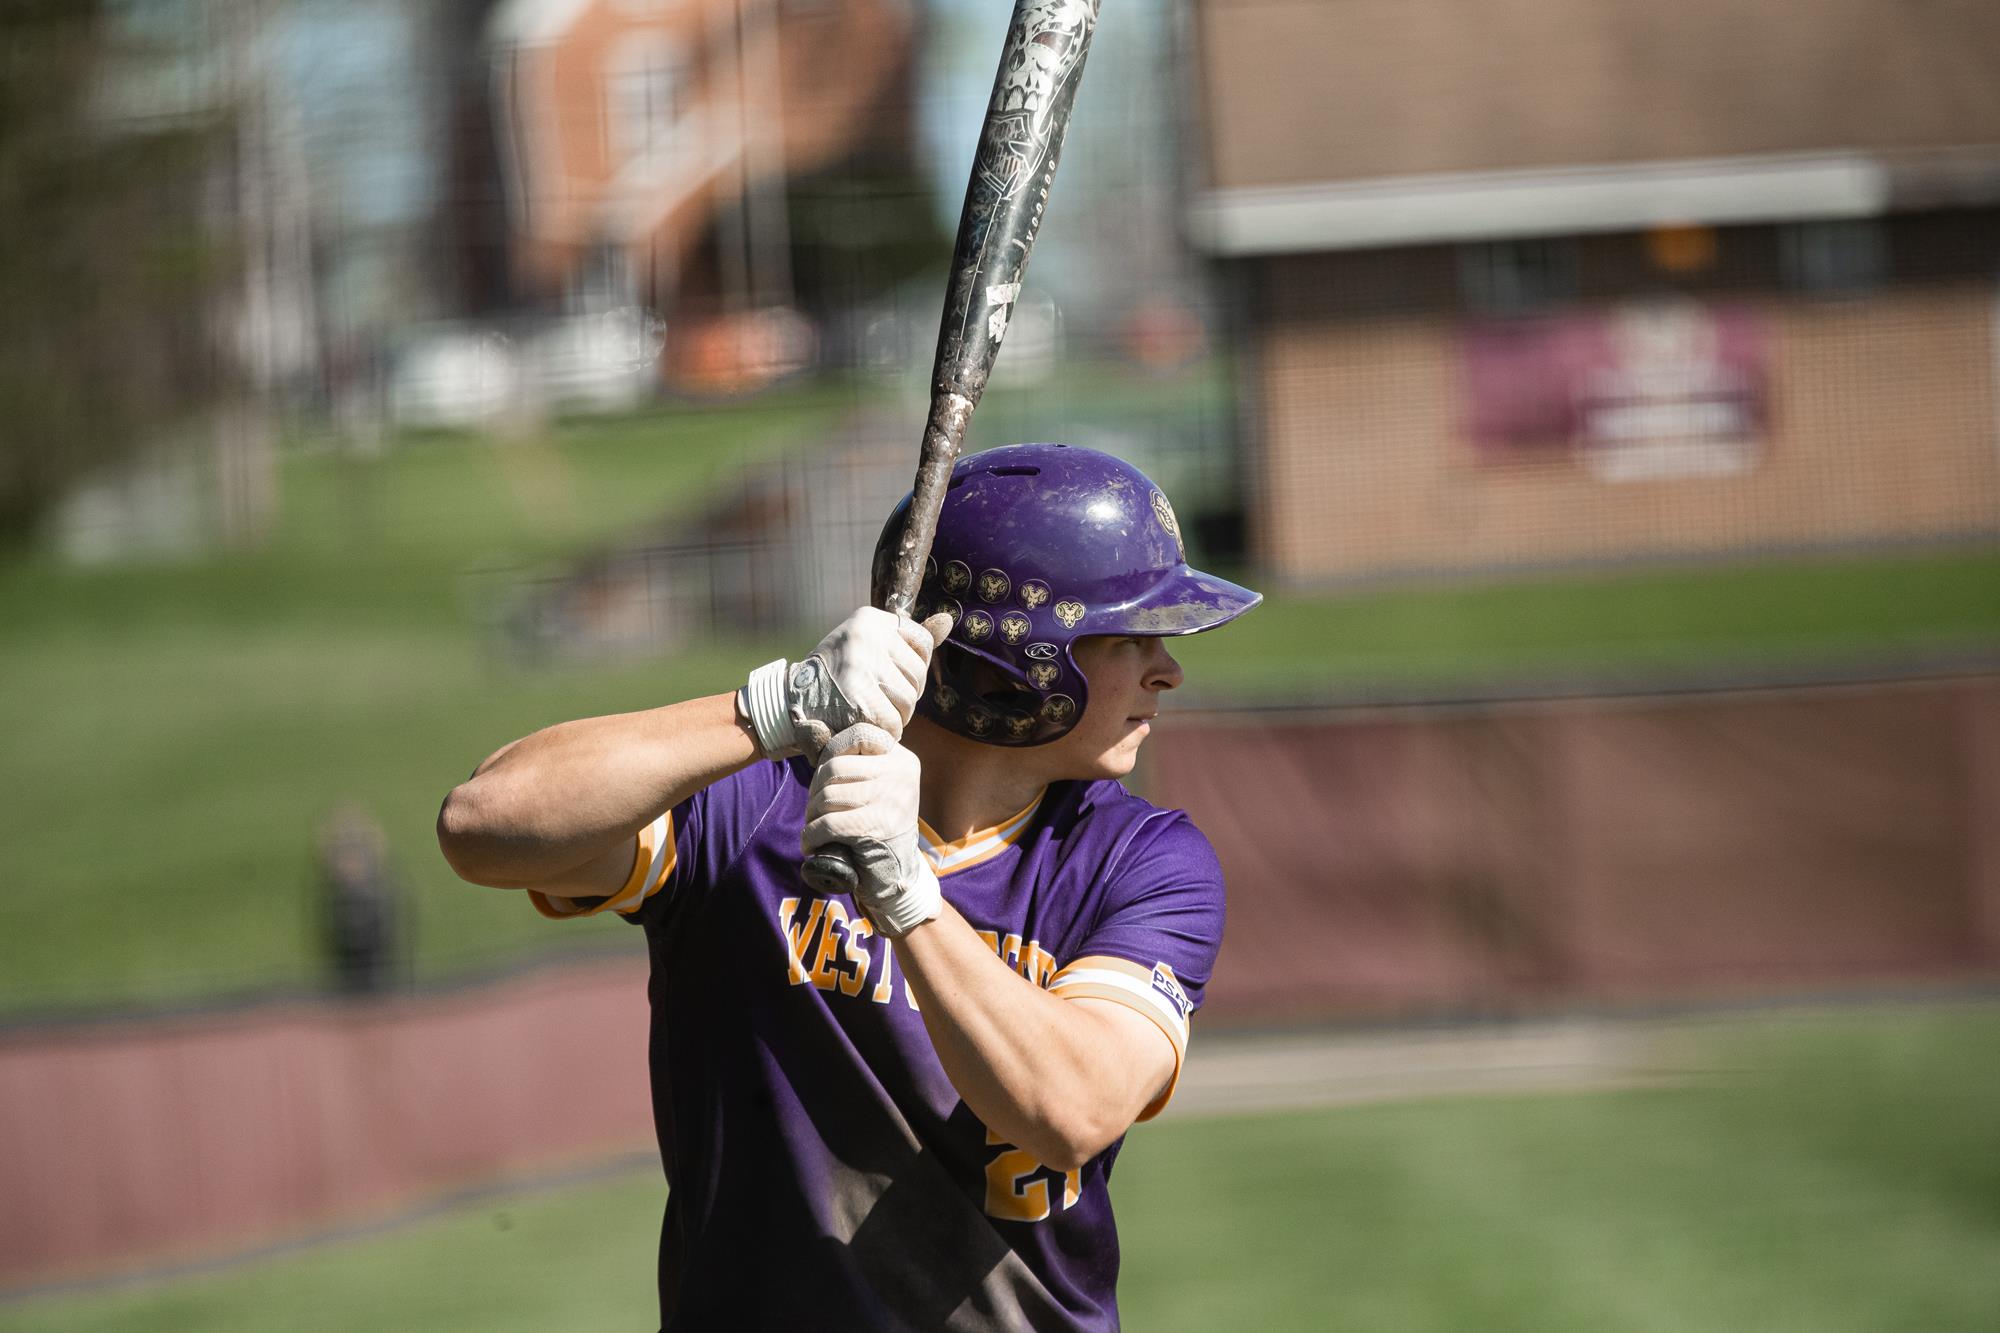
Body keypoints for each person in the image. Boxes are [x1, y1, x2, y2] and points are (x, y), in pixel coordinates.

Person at [437, 443, 1259, 1331]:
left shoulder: (1141, 859)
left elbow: (1072, 1107)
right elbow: (480, 823)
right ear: (1011, 658)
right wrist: (772, 706)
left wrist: (909, 895)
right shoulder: (754, 806)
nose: (1167, 669)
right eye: (1129, 636)